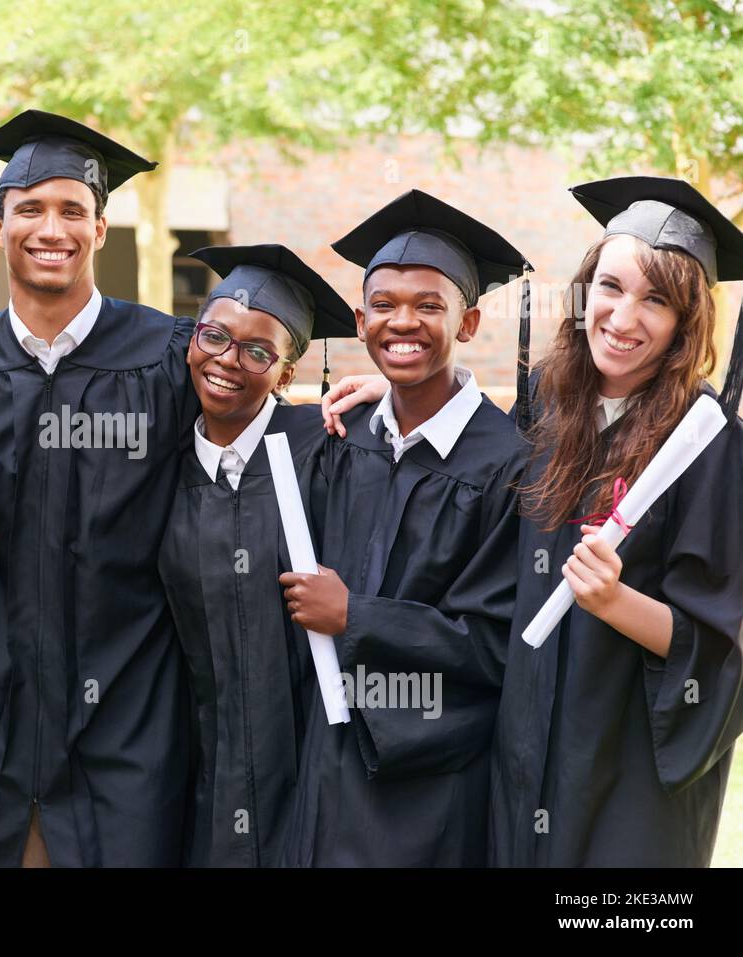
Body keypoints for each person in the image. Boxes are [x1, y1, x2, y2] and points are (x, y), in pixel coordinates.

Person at [0, 110, 197, 866]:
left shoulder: (167, 357)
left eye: (72, 210)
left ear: (101, 229)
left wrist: (367, 393)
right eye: (31, 210)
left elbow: (252, 434)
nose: (53, 228)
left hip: (133, 713)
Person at [490, 177, 743, 866]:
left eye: (656, 299)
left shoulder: (710, 443)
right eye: (610, 286)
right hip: (525, 747)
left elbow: (721, 647)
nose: (624, 316)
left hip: (629, 769)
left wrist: (615, 600)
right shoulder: (545, 404)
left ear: (685, 324)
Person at [278, 190, 530, 866]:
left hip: (427, 782)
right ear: (360, 321)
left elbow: (498, 646)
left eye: (429, 306)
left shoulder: (507, 464)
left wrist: (355, 615)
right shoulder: (343, 437)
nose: (403, 323)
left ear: (469, 322)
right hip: (323, 770)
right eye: (384, 305)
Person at [156, 244, 355, 867]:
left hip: (312, 763)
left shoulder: (330, 452)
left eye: (258, 351)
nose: (226, 361)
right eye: (213, 336)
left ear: (285, 372)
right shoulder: (158, 465)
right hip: (201, 769)